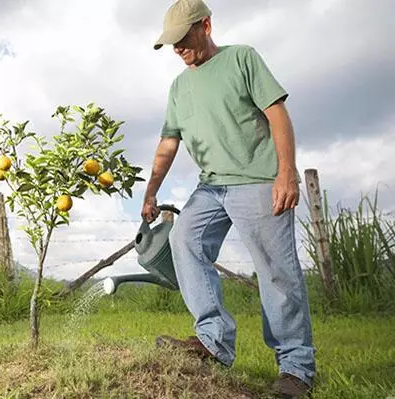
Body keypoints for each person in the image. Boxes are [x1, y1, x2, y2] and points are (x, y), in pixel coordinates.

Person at [140, 0, 316, 396]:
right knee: (183, 239)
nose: (178, 49)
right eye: (172, 43)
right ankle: (213, 341)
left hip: (257, 179)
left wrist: (286, 172)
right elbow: (169, 143)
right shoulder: (179, 87)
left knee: (276, 271)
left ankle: (296, 368)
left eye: (183, 39)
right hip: (211, 186)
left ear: (206, 25)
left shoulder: (242, 59)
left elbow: (277, 115)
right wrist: (151, 189)